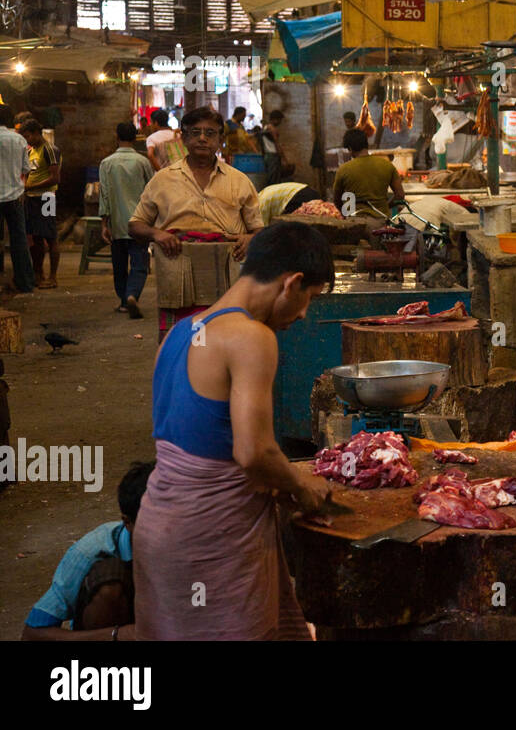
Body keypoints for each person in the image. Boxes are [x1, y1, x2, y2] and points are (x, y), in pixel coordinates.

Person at [132, 222, 334, 640]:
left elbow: (200, 440)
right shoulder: (250, 337)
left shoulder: (178, 333)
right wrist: (302, 487)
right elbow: (253, 453)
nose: (302, 315)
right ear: (291, 282)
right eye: (308, 299)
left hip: (160, 531)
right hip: (210, 539)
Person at [128, 106, 263, 338]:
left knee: (225, 343)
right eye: (195, 132)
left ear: (221, 139)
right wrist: (157, 234)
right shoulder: (163, 179)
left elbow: (260, 230)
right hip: (177, 275)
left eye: (210, 133)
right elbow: (135, 225)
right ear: (183, 136)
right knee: (178, 344)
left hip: (227, 274)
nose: (202, 138)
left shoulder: (239, 181)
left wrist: (250, 238)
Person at [22, 461, 156, 641]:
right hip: (121, 631)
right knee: (109, 580)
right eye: (153, 522)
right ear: (128, 522)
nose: (165, 530)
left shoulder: (190, 540)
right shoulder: (90, 552)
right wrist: (117, 635)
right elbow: (32, 634)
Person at [99, 122, 154, 319]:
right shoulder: (143, 162)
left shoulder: (106, 163)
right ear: (135, 137)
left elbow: (104, 195)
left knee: (119, 264)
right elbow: (151, 191)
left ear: (117, 136)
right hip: (140, 222)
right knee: (139, 263)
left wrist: (104, 224)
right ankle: (132, 295)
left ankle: (124, 301)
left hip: (117, 222)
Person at [19, 119, 61, 289]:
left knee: (50, 237)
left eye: (28, 136)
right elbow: (29, 174)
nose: (27, 140)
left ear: (37, 133)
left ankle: (53, 276)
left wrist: (31, 186)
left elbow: (55, 178)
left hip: (47, 198)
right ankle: (39, 274)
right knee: (35, 238)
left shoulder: (50, 150)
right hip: (32, 199)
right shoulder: (31, 152)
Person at [334, 127, 404, 222]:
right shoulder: (387, 165)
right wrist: (386, 206)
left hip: (354, 222)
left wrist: (347, 215)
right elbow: (400, 195)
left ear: (350, 148)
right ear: (366, 144)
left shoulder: (343, 169)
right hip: (381, 221)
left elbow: (337, 200)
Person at [0, 106, 35, 293]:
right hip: (15, 196)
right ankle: (26, 283)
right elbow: (25, 169)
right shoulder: (19, 139)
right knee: (19, 241)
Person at [257, 181, 322, 226]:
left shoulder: (258, 206)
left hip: (298, 196)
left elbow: (261, 230)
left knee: (288, 230)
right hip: (306, 191)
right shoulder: (261, 195)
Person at [259, 109, 294, 184]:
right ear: (275, 119)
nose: (280, 122)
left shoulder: (265, 128)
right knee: (274, 179)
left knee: (270, 177)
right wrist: (284, 159)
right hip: (273, 156)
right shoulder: (272, 129)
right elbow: (277, 144)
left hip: (267, 156)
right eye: (280, 120)